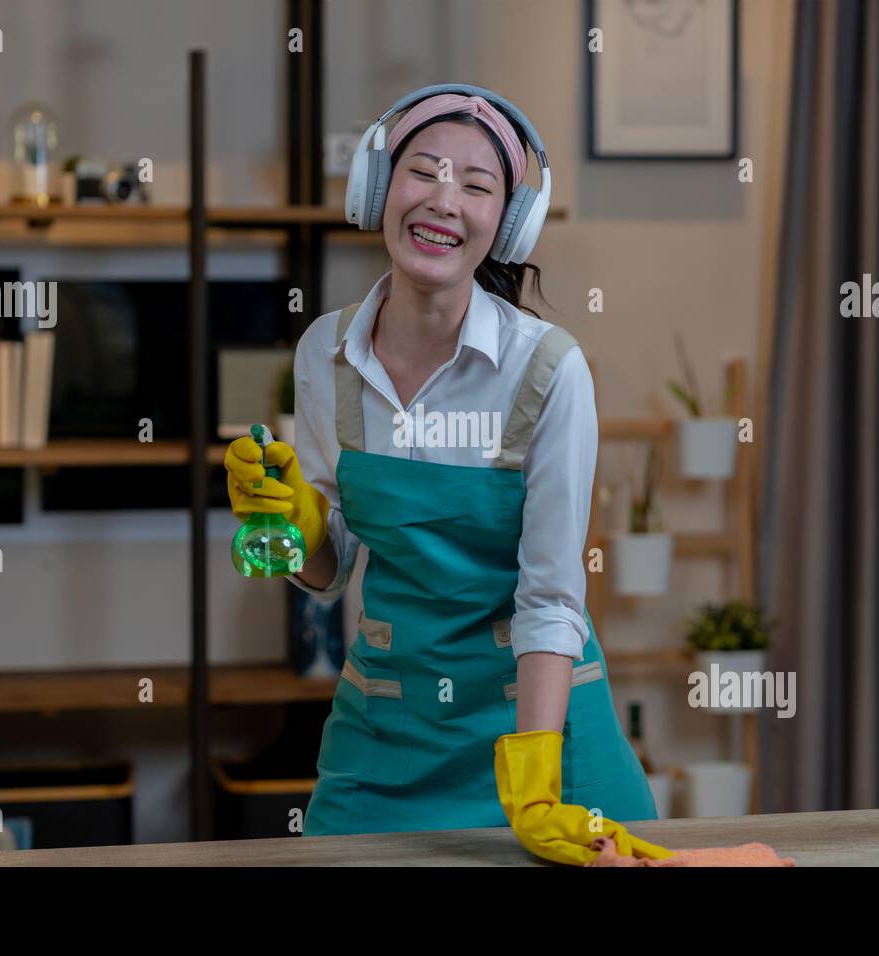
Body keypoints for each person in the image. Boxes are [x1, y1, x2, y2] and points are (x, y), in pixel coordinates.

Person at [225, 84, 672, 865]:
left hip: (542, 731)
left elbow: (552, 597)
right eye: (422, 172)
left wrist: (534, 789)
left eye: (476, 184)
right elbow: (331, 571)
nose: (442, 200)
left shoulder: (548, 371)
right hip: (388, 738)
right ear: (378, 188)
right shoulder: (326, 357)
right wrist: (294, 521)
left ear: (507, 222)